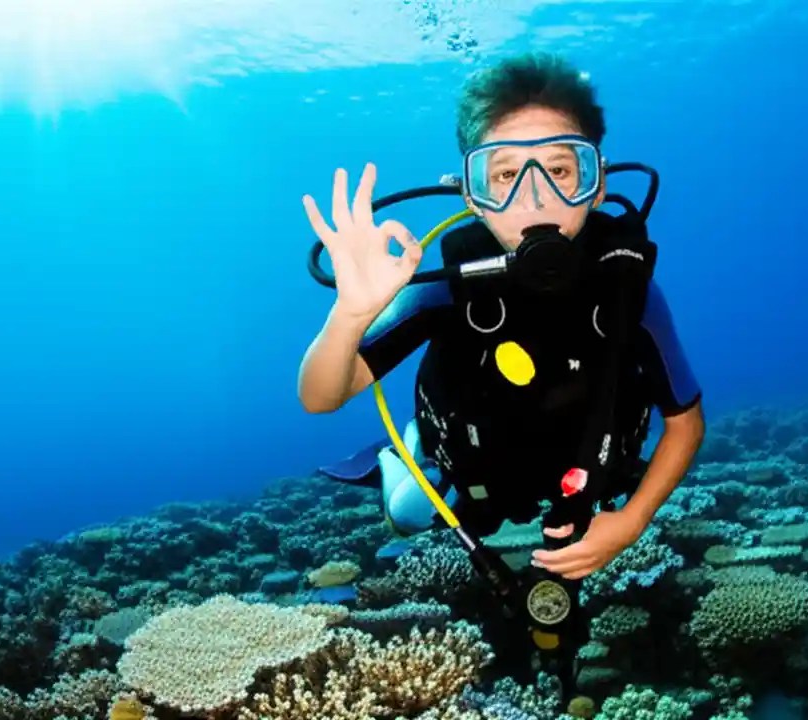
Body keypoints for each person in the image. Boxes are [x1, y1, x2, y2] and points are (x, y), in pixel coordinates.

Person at [297, 53, 704, 695]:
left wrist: (631, 522)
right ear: (471, 195)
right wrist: (350, 313)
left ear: (596, 184)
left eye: (563, 170)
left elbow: (685, 424)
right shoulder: (440, 292)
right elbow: (321, 396)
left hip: (581, 481)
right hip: (471, 478)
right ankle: (397, 458)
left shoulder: (631, 293)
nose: (535, 199)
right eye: (506, 174)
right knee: (408, 513)